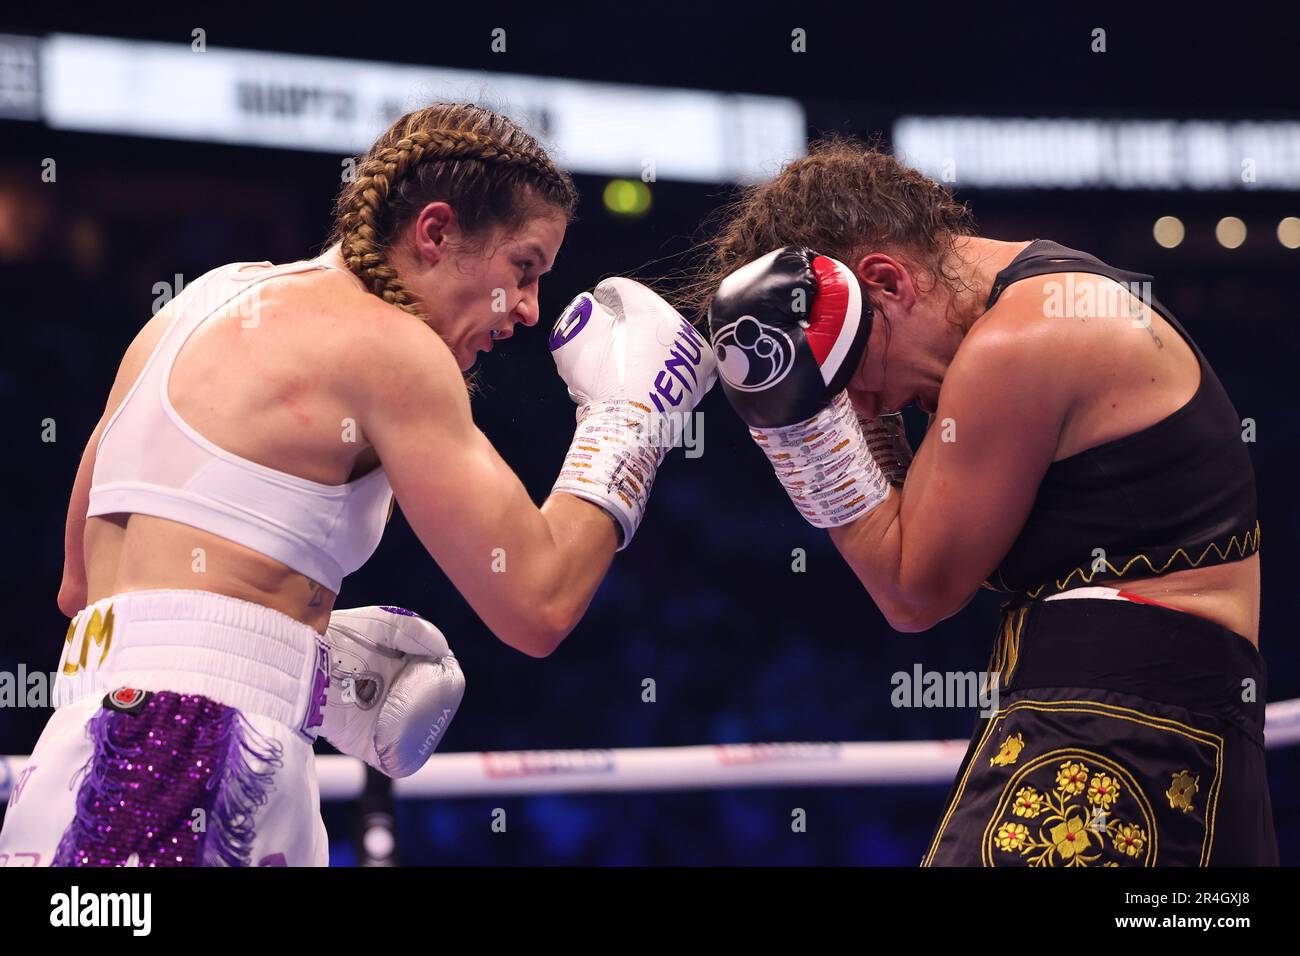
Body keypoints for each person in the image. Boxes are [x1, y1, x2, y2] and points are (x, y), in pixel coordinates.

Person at [0, 102, 714, 867]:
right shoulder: (390, 346)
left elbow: (82, 589)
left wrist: (297, 654)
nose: (532, 309)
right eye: (524, 268)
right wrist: (629, 426)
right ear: (435, 232)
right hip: (183, 761)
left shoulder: (200, 301)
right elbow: (539, 601)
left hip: (79, 754)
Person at [694, 138, 1274, 866]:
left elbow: (911, 591)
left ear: (886, 283)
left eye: (851, 376)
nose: (862, 407)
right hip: (1154, 729)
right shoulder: (1032, 297)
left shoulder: (1020, 341)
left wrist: (801, 428)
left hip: (1124, 727)